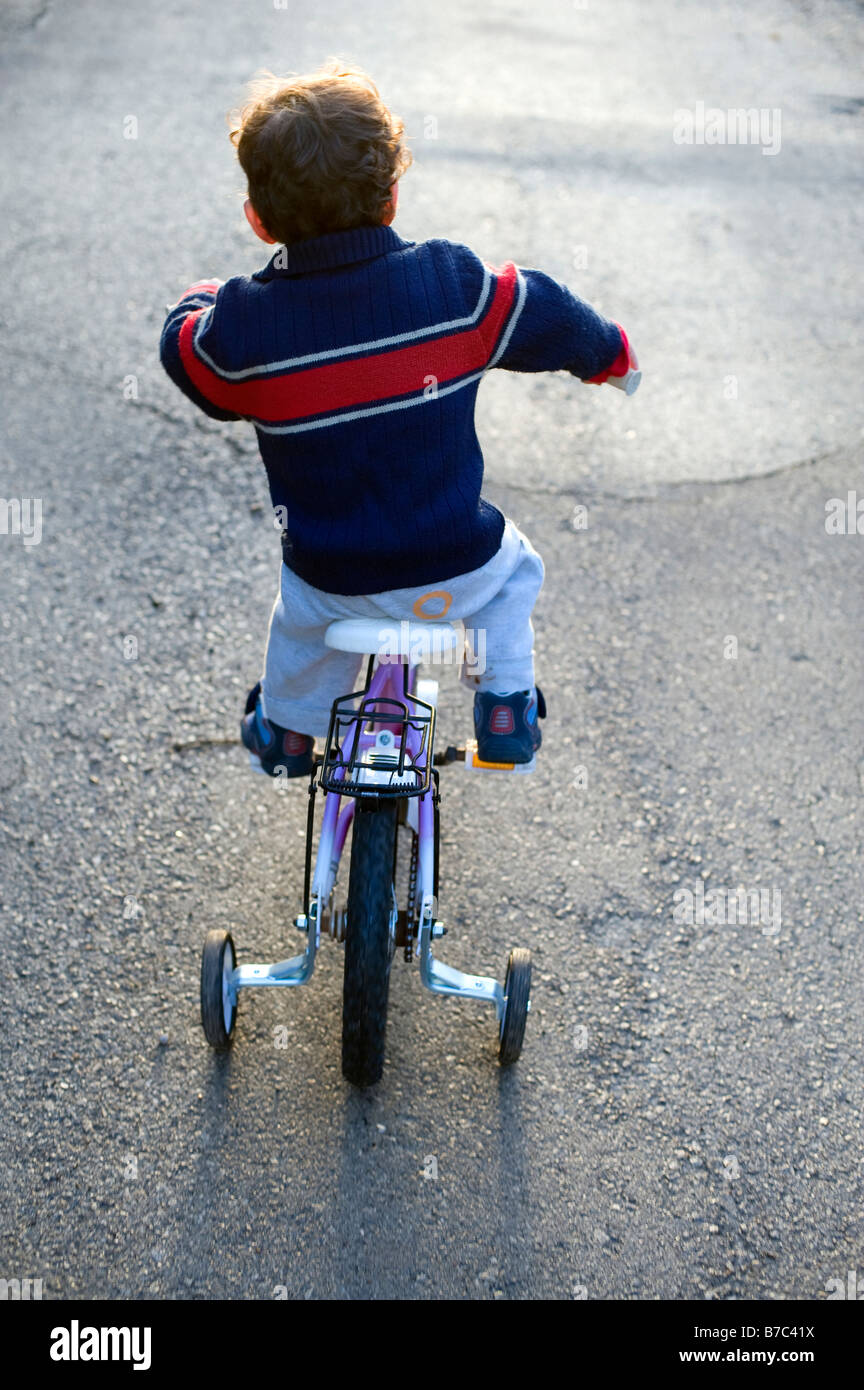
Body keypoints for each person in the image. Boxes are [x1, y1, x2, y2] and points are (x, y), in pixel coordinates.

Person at [160, 60, 639, 776]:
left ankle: (288, 730)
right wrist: (611, 356)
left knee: (299, 630)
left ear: (259, 221)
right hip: (456, 563)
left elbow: (189, 359)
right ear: (390, 199)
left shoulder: (244, 329)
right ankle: (505, 704)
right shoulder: (456, 284)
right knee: (516, 575)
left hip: (330, 574)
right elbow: (547, 311)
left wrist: (199, 301)